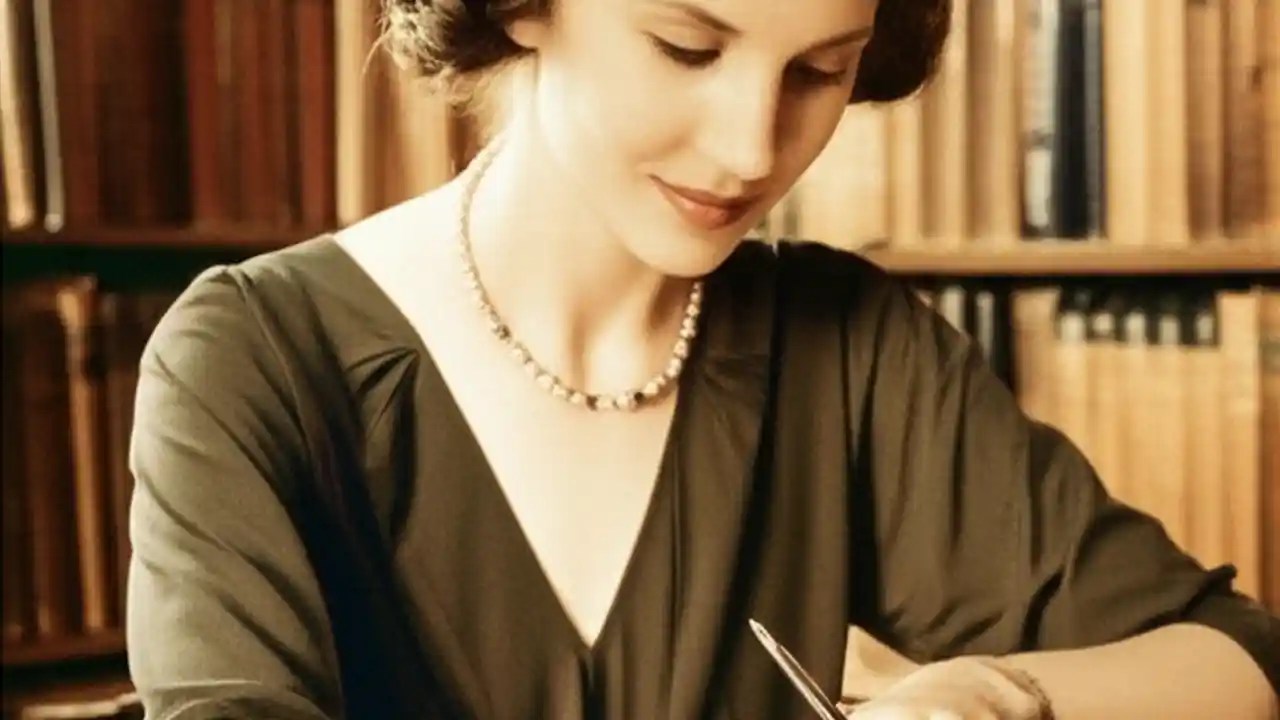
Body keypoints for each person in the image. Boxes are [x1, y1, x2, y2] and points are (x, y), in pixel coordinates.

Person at [125, 0, 1280, 717]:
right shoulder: (258, 359)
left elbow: (1236, 665)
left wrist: (989, 696)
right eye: (686, 45)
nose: (747, 148)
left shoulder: (850, 352)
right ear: (523, 6)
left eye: (819, 71)